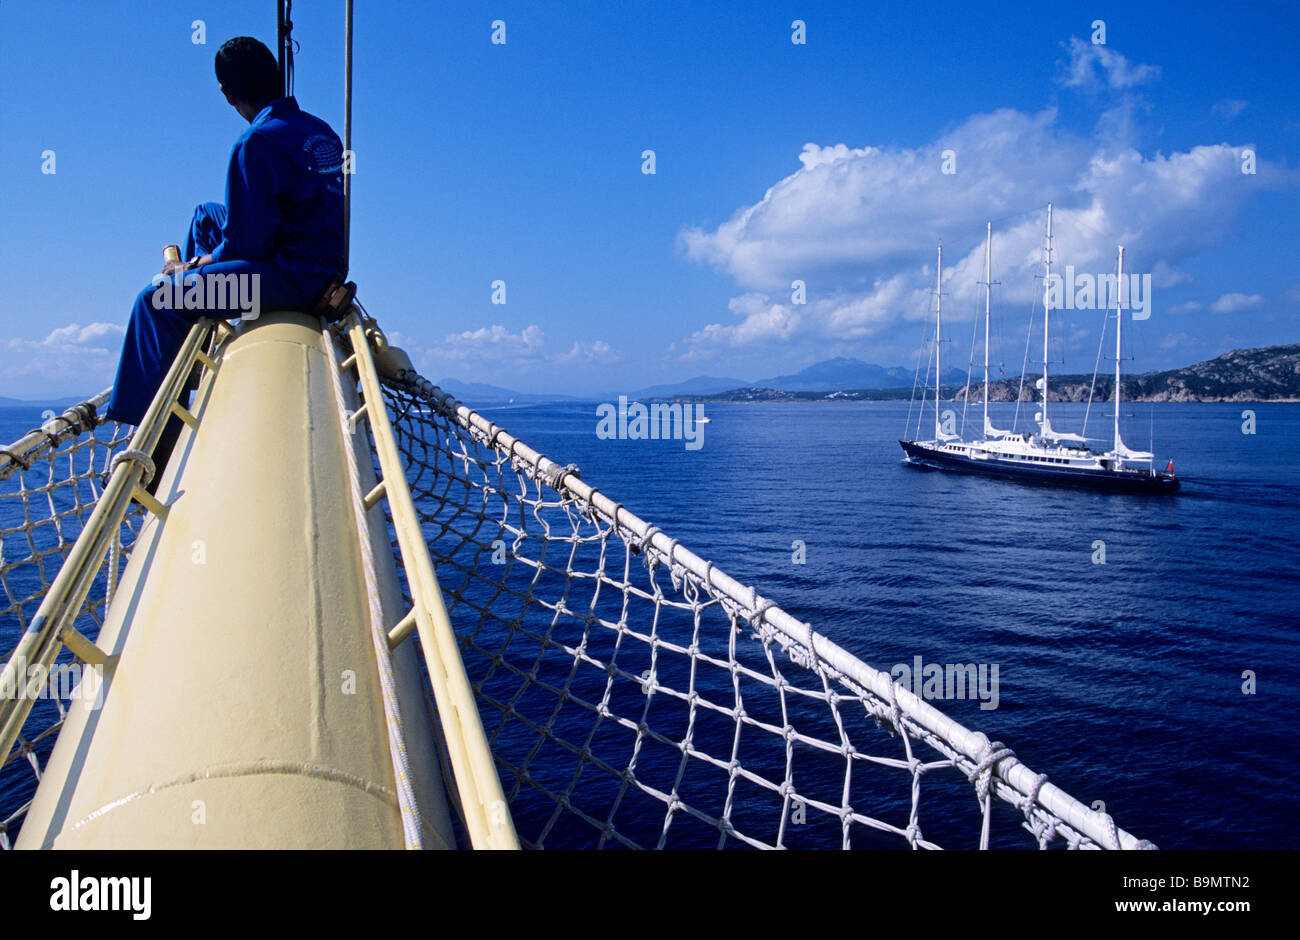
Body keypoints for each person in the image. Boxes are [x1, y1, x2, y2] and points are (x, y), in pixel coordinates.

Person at [105, 36, 346, 481]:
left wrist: (194, 268)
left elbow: (247, 247)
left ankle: (157, 443)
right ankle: (194, 330)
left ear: (226, 93)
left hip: (284, 280)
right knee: (204, 215)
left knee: (154, 300)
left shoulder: (254, 143)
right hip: (320, 265)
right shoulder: (320, 131)